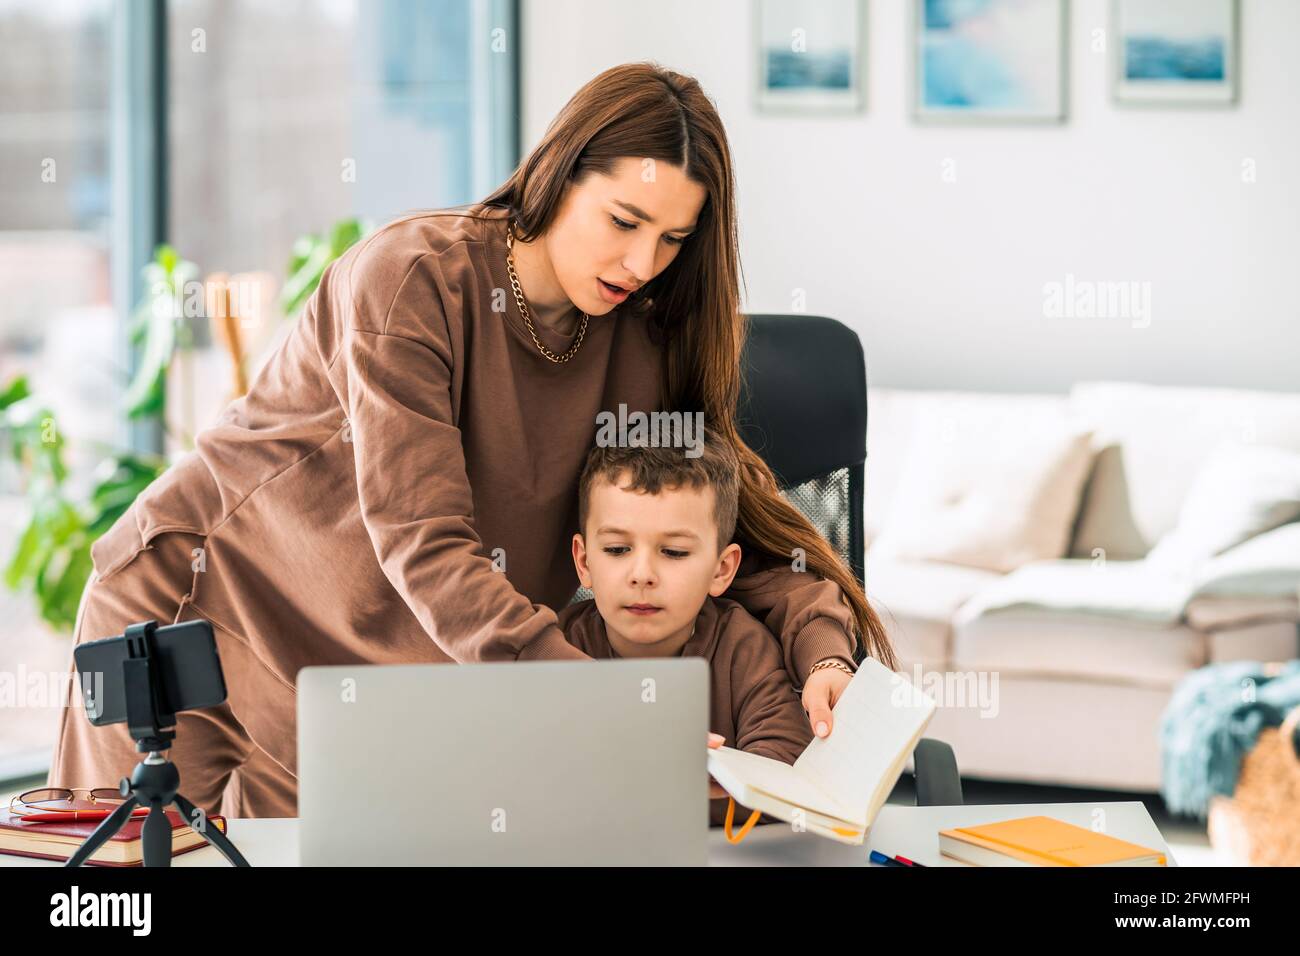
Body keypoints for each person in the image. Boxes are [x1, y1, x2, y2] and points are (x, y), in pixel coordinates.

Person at [49, 61, 897, 819]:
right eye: (624, 220)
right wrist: (608, 708)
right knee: (131, 890)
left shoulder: (641, 341)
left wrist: (826, 657)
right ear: (560, 174)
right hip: (200, 604)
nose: (643, 262)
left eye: (672, 239)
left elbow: (735, 537)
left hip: (373, 674)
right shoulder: (411, 280)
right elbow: (425, 546)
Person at [559, 434, 814, 827]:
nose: (642, 575)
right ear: (584, 561)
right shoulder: (558, 647)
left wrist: (710, 775)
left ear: (721, 569)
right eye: (616, 549)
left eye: (674, 552)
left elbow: (787, 762)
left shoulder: (743, 648)